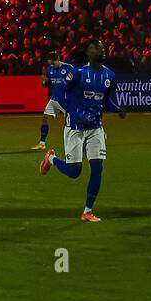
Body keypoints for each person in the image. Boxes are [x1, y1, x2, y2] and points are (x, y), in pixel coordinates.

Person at [38, 39, 126, 222]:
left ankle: (87, 211)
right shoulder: (77, 73)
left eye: (102, 46)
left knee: (97, 168)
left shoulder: (110, 75)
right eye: (96, 47)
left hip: (95, 128)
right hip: (75, 127)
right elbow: (57, 95)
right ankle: (51, 158)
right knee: (74, 172)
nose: (101, 49)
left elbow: (105, 101)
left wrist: (117, 109)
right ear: (87, 53)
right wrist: (76, 114)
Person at [33, 49, 73, 150]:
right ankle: (42, 143)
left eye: (53, 62)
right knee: (45, 118)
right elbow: (47, 84)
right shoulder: (49, 70)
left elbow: (75, 82)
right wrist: (44, 82)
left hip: (65, 100)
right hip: (54, 98)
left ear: (57, 59)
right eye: (50, 63)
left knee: (71, 120)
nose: (52, 65)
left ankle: (74, 141)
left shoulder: (68, 68)